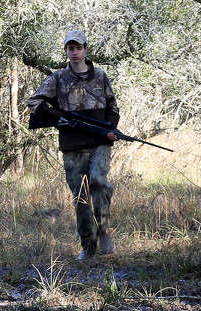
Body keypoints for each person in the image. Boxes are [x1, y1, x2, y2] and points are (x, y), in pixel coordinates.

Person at [27, 30, 120, 261]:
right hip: (72, 145)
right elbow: (34, 102)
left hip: (99, 141)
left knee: (99, 181)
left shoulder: (100, 76)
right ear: (66, 51)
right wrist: (58, 118)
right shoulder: (58, 78)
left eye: (78, 47)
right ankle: (88, 246)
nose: (75, 52)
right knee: (80, 196)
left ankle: (105, 230)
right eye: (70, 48)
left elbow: (113, 106)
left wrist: (110, 128)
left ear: (85, 49)